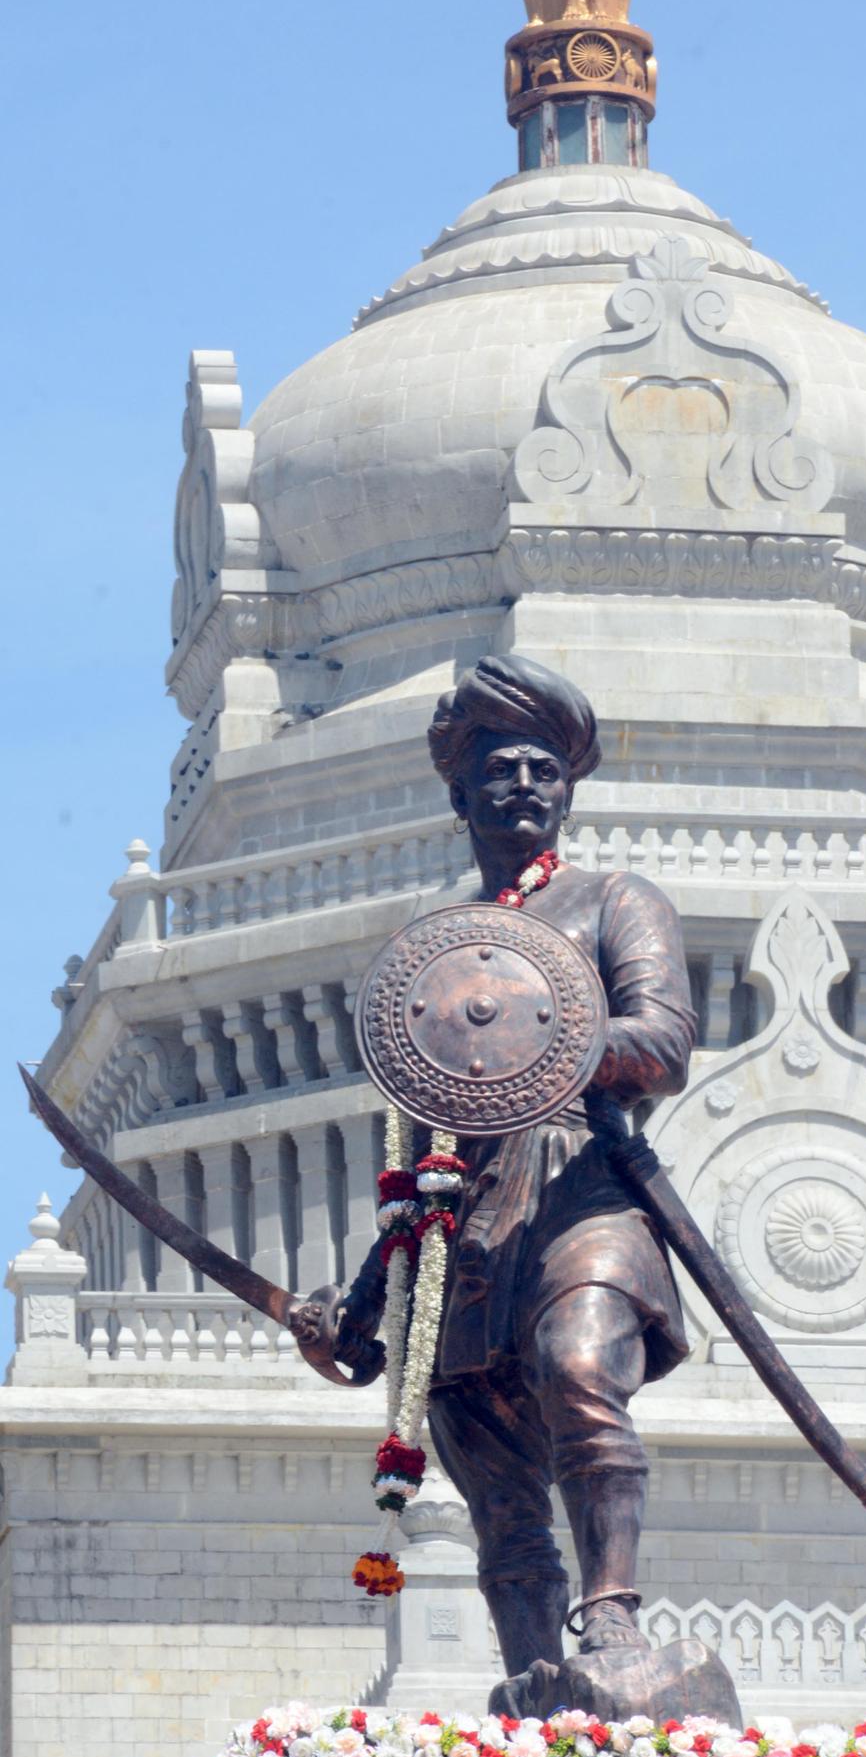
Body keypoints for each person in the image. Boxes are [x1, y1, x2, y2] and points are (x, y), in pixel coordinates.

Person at [335, 653, 696, 1678]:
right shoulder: (435, 944)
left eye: (545, 766)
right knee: (491, 1470)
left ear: (569, 788)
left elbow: (662, 1044)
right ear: (461, 792)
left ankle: (612, 1612)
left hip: (584, 1179)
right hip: (461, 1219)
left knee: (579, 1368)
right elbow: (414, 1146)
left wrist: (550, 1042)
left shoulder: (614, 901)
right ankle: (536, 1681)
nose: (525, 784)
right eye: (501, 768)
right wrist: (366, 1302)